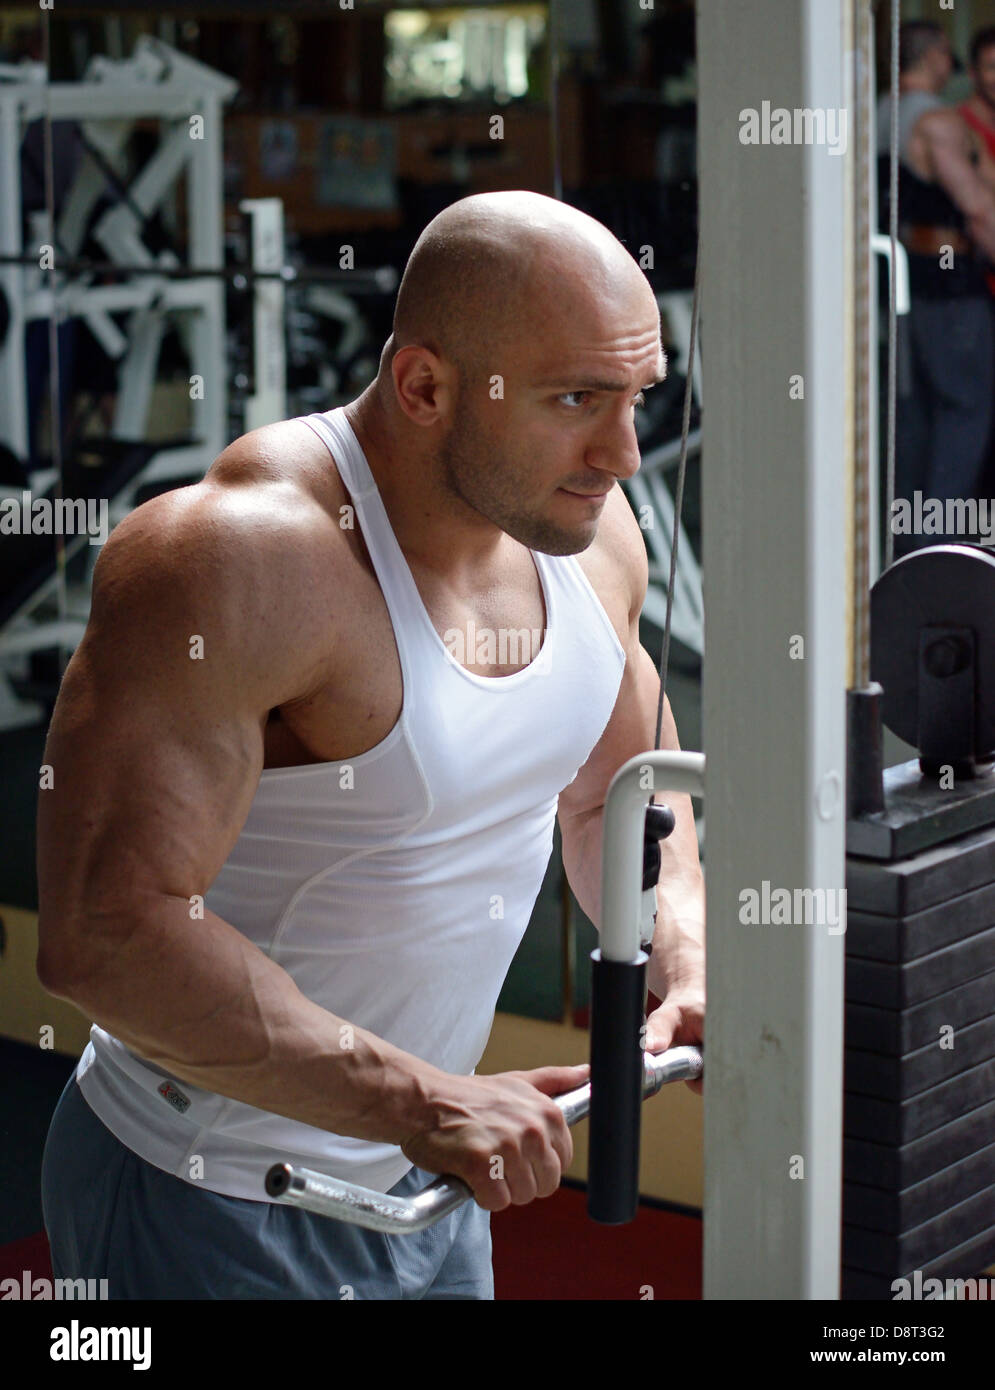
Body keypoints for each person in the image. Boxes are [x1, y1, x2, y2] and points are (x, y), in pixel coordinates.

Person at [36, 190, 706, 1301]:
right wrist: (428, 1099)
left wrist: (679, 947)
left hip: (426, 1183)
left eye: (638, 398)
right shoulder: (235, 561)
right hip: (208, 1191)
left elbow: (617, 794)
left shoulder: (582, 533)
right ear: (425, 386)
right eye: (577, 399)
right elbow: (105, 933)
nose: (624, 453)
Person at [876, 22, 995, 553]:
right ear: (937, 57)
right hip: (950, 288)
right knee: (965, 413)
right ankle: (942, 553)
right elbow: (977, 207)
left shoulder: (880, 112)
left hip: (905, 283)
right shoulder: (938, 120)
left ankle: (912, 550)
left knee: (920, 419)